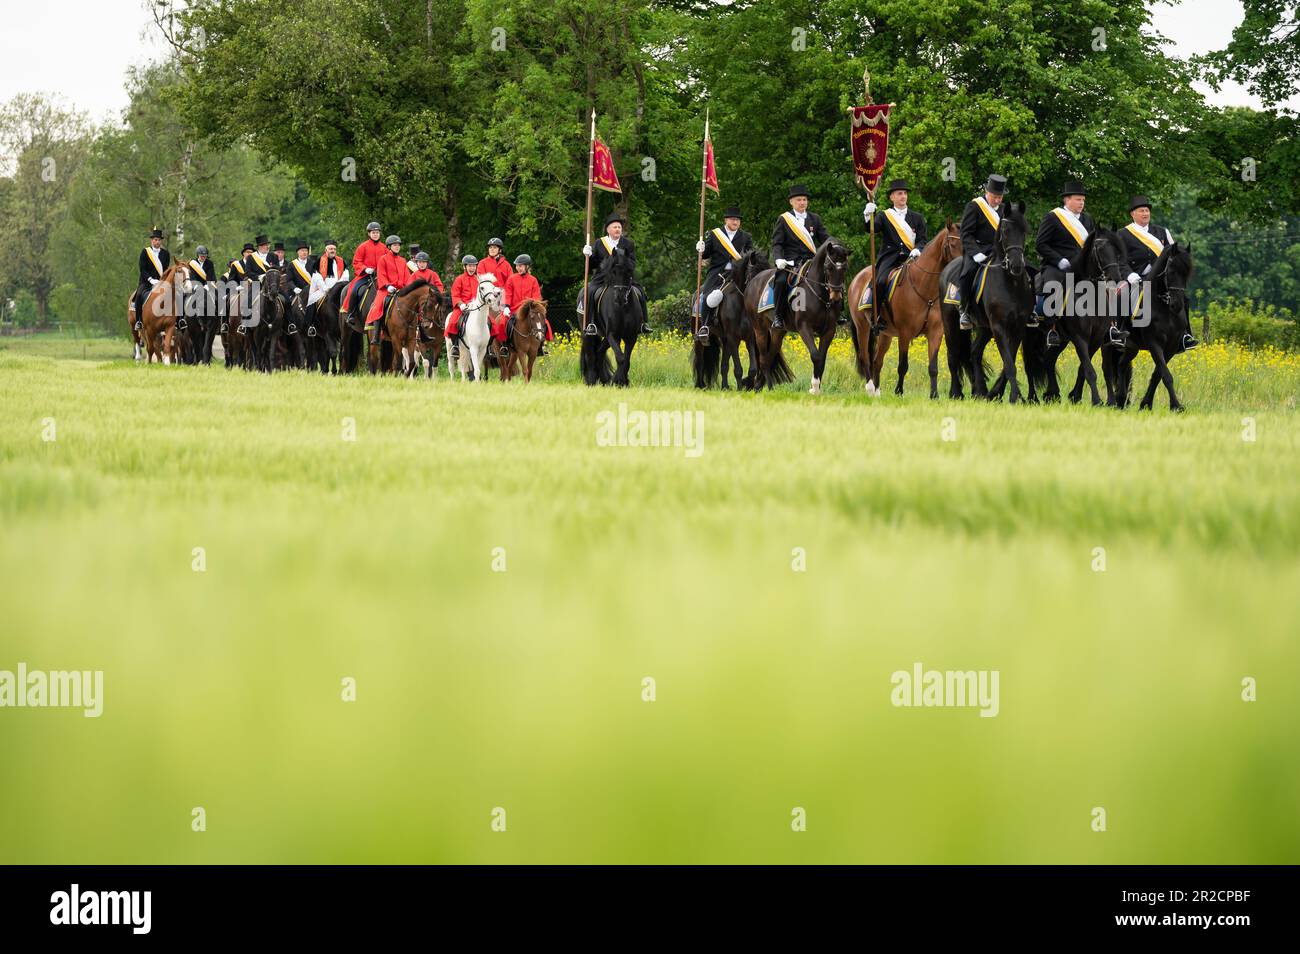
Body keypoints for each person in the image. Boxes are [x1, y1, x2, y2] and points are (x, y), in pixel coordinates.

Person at [1113, 195, 1197, 351]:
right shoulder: (1122, 234)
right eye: (1141, 211)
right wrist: (1129, 275)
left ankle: (1185, 335)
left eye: (1147, 211)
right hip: (1136, 278)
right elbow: (1119, 261)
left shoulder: (1162, 232)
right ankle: (1119, 331)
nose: (1145, 214)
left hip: (1160, 279)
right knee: (1123, 293)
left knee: (1183, 297)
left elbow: (1175, 255)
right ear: (1133, 214)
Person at [1034, 180, 1096, 346]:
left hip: (1081, 268)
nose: (1081, 203)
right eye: (1078, 199)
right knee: (1053, 286)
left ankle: (1110, 327)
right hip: (1057, 265)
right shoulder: (1053, 217)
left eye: (1083, 200)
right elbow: (1040, 244)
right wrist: (1058, 260)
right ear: (1067, 200)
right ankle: (1052, 328)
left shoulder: (1088, 220)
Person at [861, 179, 927, 325]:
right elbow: (872, 229)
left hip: (912, 258)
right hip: (890, 258)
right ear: (892, 197)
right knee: (880, 281)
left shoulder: (918, 217)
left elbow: (923, 239)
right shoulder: (884, 216)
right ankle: (876, 316)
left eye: (904, 193)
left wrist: (918, 249)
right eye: (899, 194)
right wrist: (868, 215)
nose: (903, 196)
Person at [769, 184, 830, 329]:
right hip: (791, 262)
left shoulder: (815, 219)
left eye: (804, 199)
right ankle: (778, 316)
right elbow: (777, 243)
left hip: (811, 261)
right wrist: (778, 259)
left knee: (833, 277)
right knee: (781, 281)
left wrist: (835, 247)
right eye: (798, 200)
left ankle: (836, 312)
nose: (802, 202)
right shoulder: (784, 219)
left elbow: (825, 239)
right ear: (791, 202)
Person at [580, 211, 651, 334]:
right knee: (589, 291)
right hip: (602, 278)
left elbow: (633, 263)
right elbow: (592, 265)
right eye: (615, 227)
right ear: (608, 229)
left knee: (640, 292)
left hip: (622, 278)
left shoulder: (628, 244)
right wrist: (588, 256)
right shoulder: (599, 243)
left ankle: (644, 323)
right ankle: (591, 323)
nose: (617, 229)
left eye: (619, 227)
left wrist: (624, 265)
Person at [957, 174, 1008, 329]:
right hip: (978, 250)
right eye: (995, 197)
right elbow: (965, 234)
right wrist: (975, 253)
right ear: (987, 192)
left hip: (1000, 251)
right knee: (968, 274)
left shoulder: (1005, 210)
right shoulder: (974, 206)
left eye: (1000, 197)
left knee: (1025, 268)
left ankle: (1028, 309)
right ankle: (964, 310)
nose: (998, 200)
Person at [694, 206, 752, 338]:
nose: (735, 222)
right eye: (732, 219)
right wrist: (701, 249)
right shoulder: (715, 234)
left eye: (737, 220)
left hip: (738, 274)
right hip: (717, 273)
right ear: (726, 220)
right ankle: (705, 325)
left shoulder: (746, 237)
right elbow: (705, 255)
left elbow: (749, 257)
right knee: (707, 295)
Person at [503, 253, 553, 355]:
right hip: (514, 310)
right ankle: (505, 346)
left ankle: (541, 346)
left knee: (545, 323)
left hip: (530, 310)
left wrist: (534, 308)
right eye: (517, 266)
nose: (518, 268)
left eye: (520, 266)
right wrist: (506, 307)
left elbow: (537, 297)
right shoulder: (511, 279)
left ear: (527, 266)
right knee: (503, 323)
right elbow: (508, 294)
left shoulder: (533, 280)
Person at [366, 235, 407, 348]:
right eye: (395, 245)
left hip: (401, 290)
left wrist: (407, 288)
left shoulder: (403, 260)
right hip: (386, 289)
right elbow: (381, 275)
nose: (397, 247)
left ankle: (419, 332)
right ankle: (376, 335)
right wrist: (388, 286)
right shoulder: (383, 259)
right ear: (389, 247)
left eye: (398, 245)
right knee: (379, 305)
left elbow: (407, 277)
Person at [341, 222, 385, 322]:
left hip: (381, 276)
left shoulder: (384, 248)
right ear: (369, 234)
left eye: (377, 232)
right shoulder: (362, 246)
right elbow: (356, 261)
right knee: (354, 290)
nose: (375, 234)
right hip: (365, 275)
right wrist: (365, 269)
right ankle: (351, 314)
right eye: (373, 232)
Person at [133, 227, 171, 328]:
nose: (157, 242)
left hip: (161, 282)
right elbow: (142, 269)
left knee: (175, 295)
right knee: (139, 295)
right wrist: (150, 279)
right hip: (146, 282)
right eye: (155, 240)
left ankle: (178, 321)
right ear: (151, 240)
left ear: (161, 241)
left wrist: (162, 281)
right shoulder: (145, 252)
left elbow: (166, 269)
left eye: (159, 240)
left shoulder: (165, 254)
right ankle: (139, 321)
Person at [446, 255, 480, 361]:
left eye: (474, 266)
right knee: (452, 322)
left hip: (476, 307)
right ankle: (455, 346)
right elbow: (455, 294)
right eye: (469, 266)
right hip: (462, 307)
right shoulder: (459, 279)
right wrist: (461, 304)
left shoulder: (479, 279)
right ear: (465, 267)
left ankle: (489, 347)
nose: (472, 268)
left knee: (492, 323)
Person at [306, 240, 349, 326]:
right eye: (330, 249)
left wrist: (338, 286)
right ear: (326, 250)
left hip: (339, 288)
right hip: (324, 289)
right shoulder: (319, 262)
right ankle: (311, 325)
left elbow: (346, 275)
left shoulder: (341, 261)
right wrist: (325, 288)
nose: (332, 250)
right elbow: (317, 278)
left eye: (334, 249)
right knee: (313, 301)